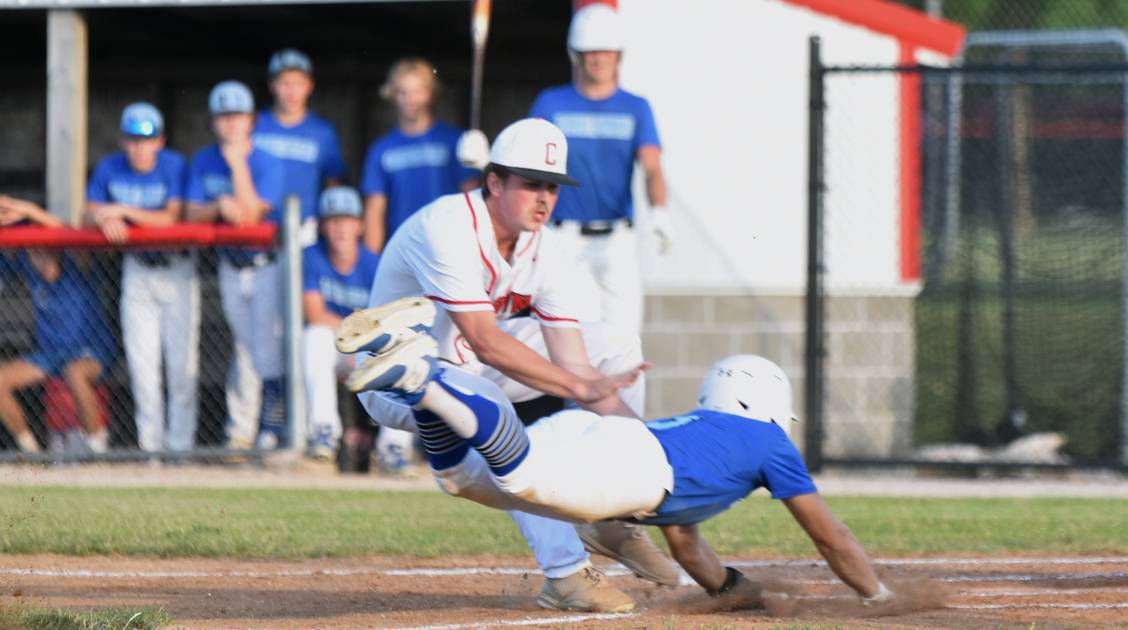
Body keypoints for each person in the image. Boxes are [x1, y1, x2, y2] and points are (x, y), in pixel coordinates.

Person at [342, 118, 678, 612]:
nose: (544, 198)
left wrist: (650, 459)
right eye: (530, 184)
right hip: (398, 373)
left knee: (616, 347)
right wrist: (578, 388)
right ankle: (566, 574)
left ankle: (611, 517)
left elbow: (576, 365)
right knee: (496, 409)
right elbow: (485, 340)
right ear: (495, 182)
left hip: (467, 359)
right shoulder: (448, 225)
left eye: (552, 187)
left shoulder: (548, 248)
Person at [345, 321, 897, 611]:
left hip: (611, 439)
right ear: (769, 404)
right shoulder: (770, 442)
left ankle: (421, 387)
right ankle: (430, 373)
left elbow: (686, 546)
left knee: (465, 478)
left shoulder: (703, 435)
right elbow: (832, 538)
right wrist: (878, 595)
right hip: (629, 462)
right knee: (521, 474)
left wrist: (734, 590)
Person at [528, 4, 670, 334]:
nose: (598, 59)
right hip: (563, 238)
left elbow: (652, 168)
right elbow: (528, 161)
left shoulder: (636, 106)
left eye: (605, 51)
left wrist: (660, 210)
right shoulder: (551, 103)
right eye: (589, 52)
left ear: (618, 55)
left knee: (625, 341)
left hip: (617, 240)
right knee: (570, 336)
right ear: (575, 55)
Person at [85, 102, 198, 453]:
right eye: (133, 139)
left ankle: (180, 450)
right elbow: (86, 213)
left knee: (181, 368)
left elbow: (172, 218)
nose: (139, 146)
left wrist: (119, 210)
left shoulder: (174, 164)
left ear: (160, 141)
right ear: (122, 141)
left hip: (177, 270)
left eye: (146, 139)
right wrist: (102, 219)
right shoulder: (109, 167)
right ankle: (151, 450)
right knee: (142, 367)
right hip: (137, 271)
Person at [185, 80, 287, 450]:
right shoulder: (203, 159)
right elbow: (191, 214)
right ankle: (242, 431)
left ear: (250, 121)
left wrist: (237, 163)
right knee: (244, 348)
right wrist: (217, 205)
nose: (230, 124)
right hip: (230, 266)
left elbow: (247, 216)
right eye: (224, 117)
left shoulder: (267, 161)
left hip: (267, 266)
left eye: (237, 116)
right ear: (214, 122)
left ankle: (273, 429)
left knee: (267, 347)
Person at [0, 197, 114, 454]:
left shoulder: (77, 262)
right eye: (32, 250)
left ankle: (98, 452)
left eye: (45, 247)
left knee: (74, 372)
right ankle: (31, 453)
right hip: (50, 355)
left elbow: (72, 233)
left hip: (91, 351)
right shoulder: (25, 267)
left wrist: (30, 209)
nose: (40, 255)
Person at [360, 57, 479, 253]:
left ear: (431, 94)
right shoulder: (381, 149)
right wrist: (372, 265)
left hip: (450, 248)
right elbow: (374, 212)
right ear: (392, 95)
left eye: (417, 91)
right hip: (402, 251)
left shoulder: (455, 141)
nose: (410, 99)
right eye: (402, 92)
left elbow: (472, 199)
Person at [301, 186, 379, 461]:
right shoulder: (312, 255)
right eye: (333, 221)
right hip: (336, 345)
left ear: (358, 225)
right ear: (322, 226)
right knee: (314, 336)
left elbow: (383, 324)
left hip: (368, 348)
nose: (340, 229)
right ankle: (324, 432)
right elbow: (315, 314)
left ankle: (395, 447)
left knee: (401, 350)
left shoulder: (374, 263)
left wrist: (357, 352)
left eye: (347, 220)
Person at [253, 48, 347, 248]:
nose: (291, 91)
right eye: (284, 83)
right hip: (258, 226)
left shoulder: (323, 132)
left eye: (298, 83)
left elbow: (332, 184)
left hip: (305, 228)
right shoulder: (253, 125)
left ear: (309, 86)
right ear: (272, 85)